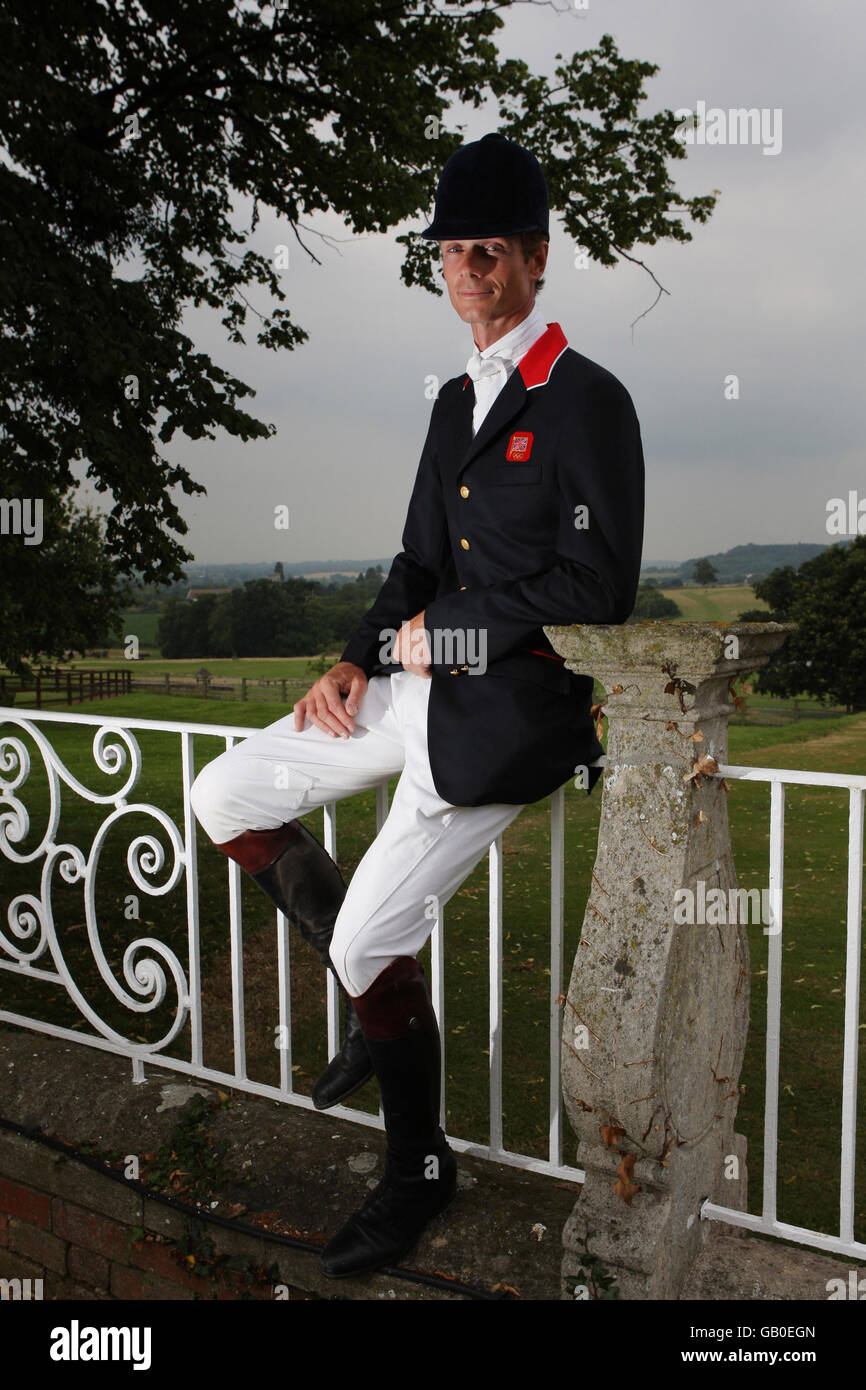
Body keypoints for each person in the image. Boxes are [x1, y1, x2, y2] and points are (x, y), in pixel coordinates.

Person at [189, 131, 645, 1279]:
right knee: (222, 789)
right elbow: (414, 558)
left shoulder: (588, 399)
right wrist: (354, 658)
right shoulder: (451, 402)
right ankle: (366, 987)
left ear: (535, 259)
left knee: (362, 933)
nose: (467, 270)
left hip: (506, 718)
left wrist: (445, 634)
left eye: (488, 249)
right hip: (407, 687)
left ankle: (417, 1170)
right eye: (450, 250)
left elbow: (597, 586)